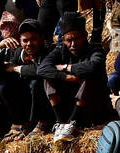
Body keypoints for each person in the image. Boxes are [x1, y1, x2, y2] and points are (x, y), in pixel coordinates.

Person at [37, 12, 110, 143]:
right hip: (68, 105)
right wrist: (66, 77)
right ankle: (61, 123)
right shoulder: (60, 50)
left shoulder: (95, 50)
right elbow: (42, 69)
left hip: (92, 107)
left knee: (88, 76)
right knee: (48, 78)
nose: (73, 44)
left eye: (77, 39)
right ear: (63, 39)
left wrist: (65, 67)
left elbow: (92, 67)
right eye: (68, 40)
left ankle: (73, 123)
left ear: (85, 36)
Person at [0, 18, 50, 140]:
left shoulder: (50, 51)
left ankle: (42, 123)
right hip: (27, 101)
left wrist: (15, 69)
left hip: (46, 103)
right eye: (25, 40)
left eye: (33, 39)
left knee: (36, 83)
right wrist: (0, 49)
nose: (29, 44)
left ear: (41, 38)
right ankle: (18, 123)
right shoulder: (19, 52)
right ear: (20, 41)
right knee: (3, 85)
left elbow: (41, 70)